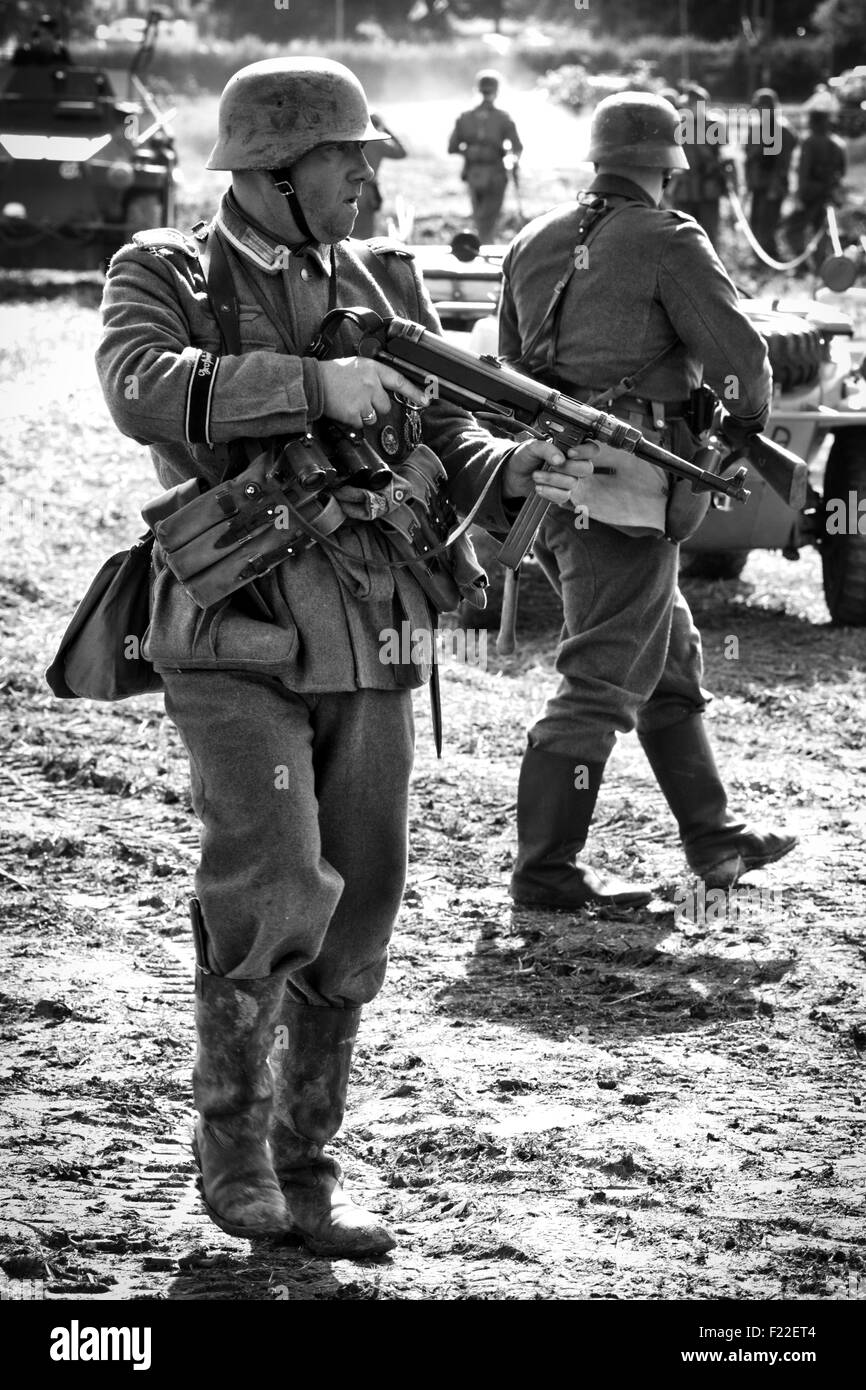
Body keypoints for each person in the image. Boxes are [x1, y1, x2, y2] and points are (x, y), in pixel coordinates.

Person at [94, 57, 588, 1256]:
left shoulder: (374, 277)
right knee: (272, 881)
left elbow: (436, 419)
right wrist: (310, 381)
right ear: (274, 167)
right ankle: (233, 1162)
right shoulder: (163, 270)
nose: (368, 178)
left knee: (361, 897)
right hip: (234, 625)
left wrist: (502, 465)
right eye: (346, 158)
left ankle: (304, 1176)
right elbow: (138, 386)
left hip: (369, 626)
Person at [498, 91, 797, 911]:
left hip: (553, 482)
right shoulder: (669, 239)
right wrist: (743, 427)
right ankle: (546, 875)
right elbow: (743, 360)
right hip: (630, 490)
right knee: (600, 676)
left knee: (668, 658)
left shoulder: (533, 239)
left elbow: (506, 368)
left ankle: (715, 838)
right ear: (668, 167)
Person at [448, 69, 523, 243]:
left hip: (474, 174)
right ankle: (485, 253)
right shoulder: (503, 118)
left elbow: (452, 147)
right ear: (497, 91)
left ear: (478, 89)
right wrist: (514, 162)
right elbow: (517, 148)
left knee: (481, 219)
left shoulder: (465, 117)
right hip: (495, 174)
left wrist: (469, 151)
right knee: (487, 221)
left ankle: (482, 249)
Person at [785, 92, 846, 272]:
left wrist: (800, 196)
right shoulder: (838, 144)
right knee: (822, 232)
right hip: (829, 195)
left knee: (792, 230)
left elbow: (803, 172)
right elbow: (841, 173)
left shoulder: (810, 143)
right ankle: (820, 268)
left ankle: (803, 266)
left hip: (811, 195)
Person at [670, 84, 730, 251]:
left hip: (708, 188)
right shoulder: (678, 124)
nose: (685, 108)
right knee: (682, 234)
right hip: (684, 189)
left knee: (709, 234)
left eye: (690, 104)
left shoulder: (715, 125)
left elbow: (726, 156)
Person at [745, 88, 798, 263]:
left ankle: (770, 258)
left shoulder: (782, 130)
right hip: (757, 184)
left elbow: (783, 162)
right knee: (756, 223)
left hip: (772, 185)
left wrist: (776, 186)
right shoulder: (757, 128)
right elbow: (750, 157)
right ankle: (759, 259)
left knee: (768, 225)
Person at [352, 110, 407, 239]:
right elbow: (402, 153)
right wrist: (387, 132)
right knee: (366, 235)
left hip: (350, 189)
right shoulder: (379, 143)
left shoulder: (353, 141)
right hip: (369, 193)